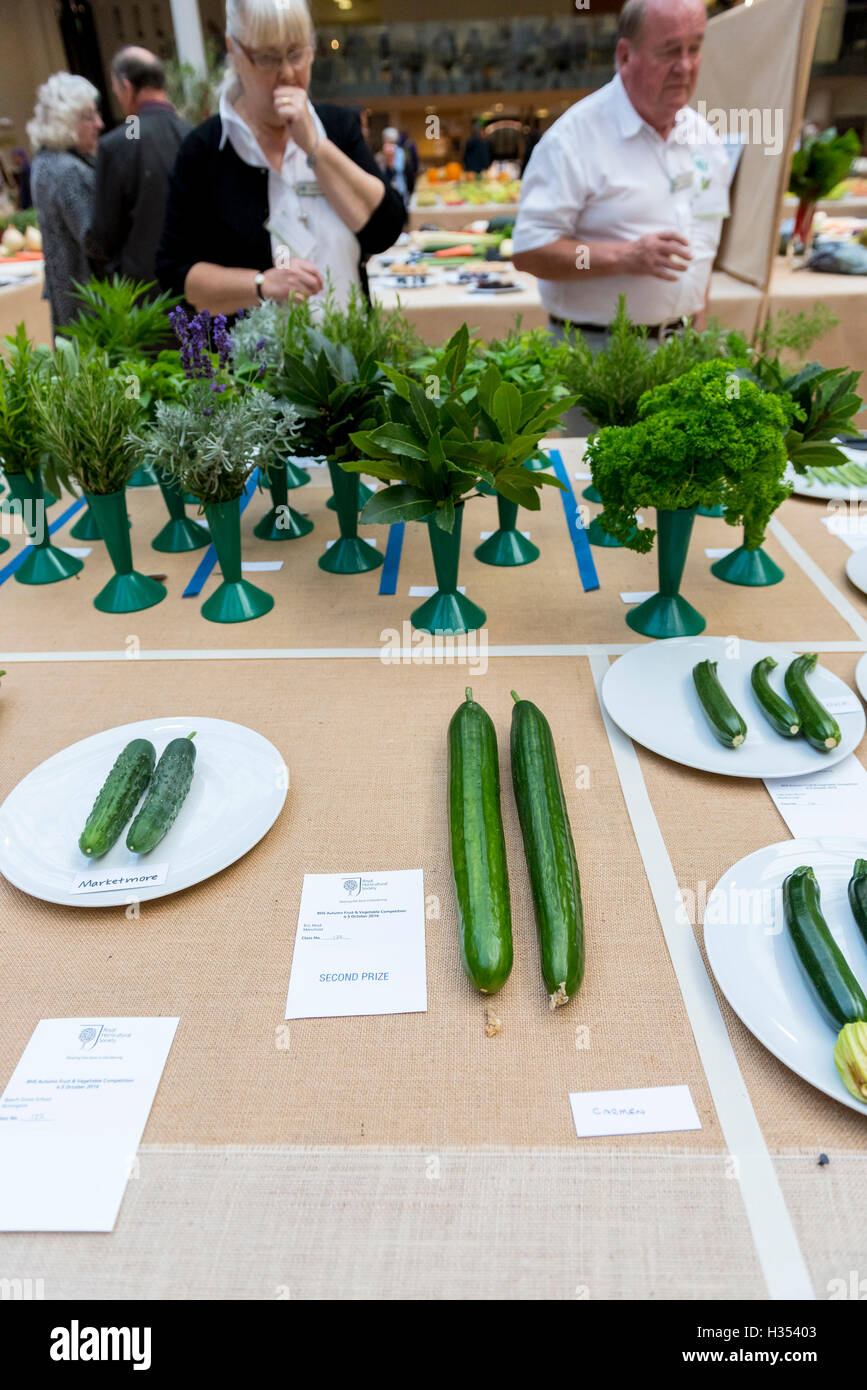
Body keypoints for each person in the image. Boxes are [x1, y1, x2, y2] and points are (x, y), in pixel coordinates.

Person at [156, 0, 405, 316]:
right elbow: (175, 275)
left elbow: (384, 229)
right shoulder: (204, 150)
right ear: (234, 50)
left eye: (297, 54)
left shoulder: (338, 128)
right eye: (267, 58)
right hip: (253, 362)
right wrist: (261, 284)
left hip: (353, 354)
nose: (287, 73)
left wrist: (314, 146)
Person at [513, 0, 730, 354]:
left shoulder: (706, 140)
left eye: (695, 48)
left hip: (683, 348)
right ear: (625, 55)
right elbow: (530, 251)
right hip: (594, 357)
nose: (686, 66)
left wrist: (698, 337)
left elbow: (701, 248)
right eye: (670, 51)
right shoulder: (573, 139)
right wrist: (625, 256)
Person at [86, 47, 191, 290]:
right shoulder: (194, 135)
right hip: (196, 288)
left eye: (116, 91)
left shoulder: (118, 145)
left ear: (127, 87)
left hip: (144, 296)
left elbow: (104, 236)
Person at [27, 73, 104, 334]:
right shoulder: (68, 170)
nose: (99, 123)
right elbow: (94, 240)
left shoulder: (43, 162)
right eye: (89, 116)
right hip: (86, 303)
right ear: (67, 121)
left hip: (66, 294)